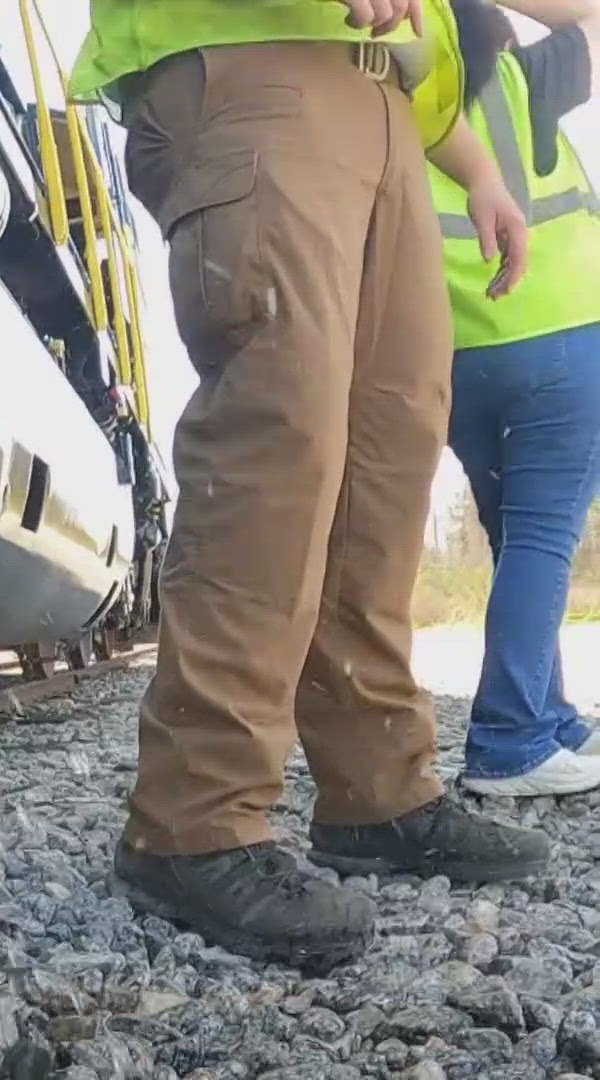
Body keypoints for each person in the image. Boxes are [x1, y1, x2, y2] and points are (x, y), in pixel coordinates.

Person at [69, 0, 548, 971]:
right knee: (278, 431)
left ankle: (380, 794)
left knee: (388, 449)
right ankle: (194, 820)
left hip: (390, 112)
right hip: (248, 59)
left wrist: (480, 170)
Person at [434, 0, 600, 796]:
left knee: (518, 541)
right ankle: (511, 741)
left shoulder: (406, 79)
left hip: (456, 349)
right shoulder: (523, 74)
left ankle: (552, 716)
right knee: (543, 540)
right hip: (560, 325)